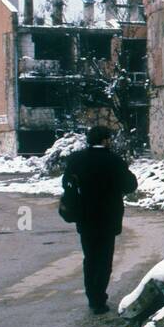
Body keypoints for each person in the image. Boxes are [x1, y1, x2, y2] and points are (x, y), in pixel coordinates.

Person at [61, 125, 138, 313]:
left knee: (90, 258)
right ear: (105, 140)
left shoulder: (77, 159)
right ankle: (99, 299)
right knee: (104, 259)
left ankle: (91, 297)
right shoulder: (114, 160)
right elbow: (130, 185)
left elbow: (66, 183)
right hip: (108, 218)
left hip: (84, 217)